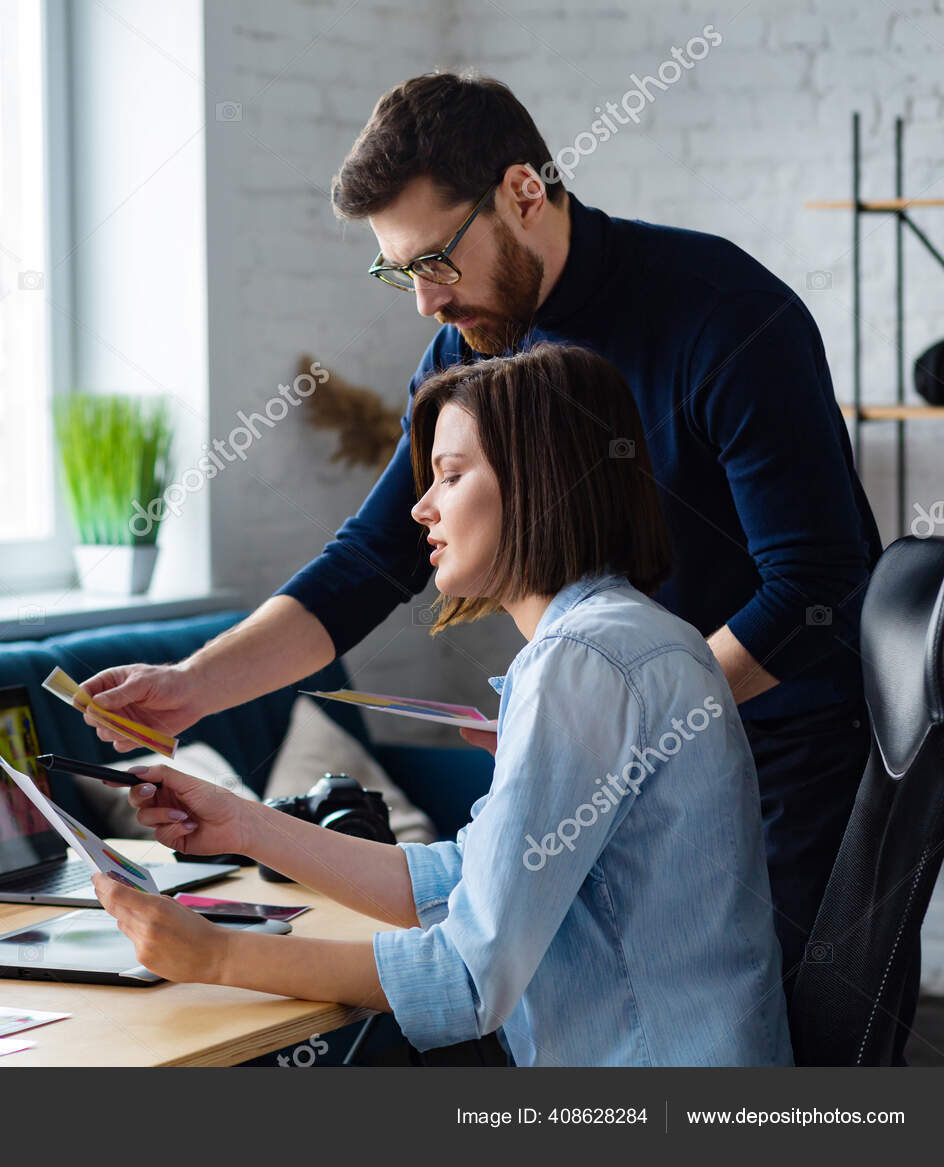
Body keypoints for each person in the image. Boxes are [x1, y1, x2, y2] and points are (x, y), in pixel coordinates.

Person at [81, 73, 880, 992]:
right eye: (399, 271)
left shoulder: (724, 313)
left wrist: (617, 723)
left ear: (524, 193)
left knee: (770, 1045)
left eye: (435, 260)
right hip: (623, 744)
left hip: (788, 755)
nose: (424, 302)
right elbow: (374, 555)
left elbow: (818, 582)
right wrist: (192, 686)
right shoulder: (472, 342)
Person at [91, 344, 793, 1066]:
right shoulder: (632, 634)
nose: (422, 506)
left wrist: (214, 954)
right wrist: (242, 822)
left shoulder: (581, 663)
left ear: (536, 485)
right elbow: (459, 884)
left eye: (452, 475)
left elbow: (463, 978)